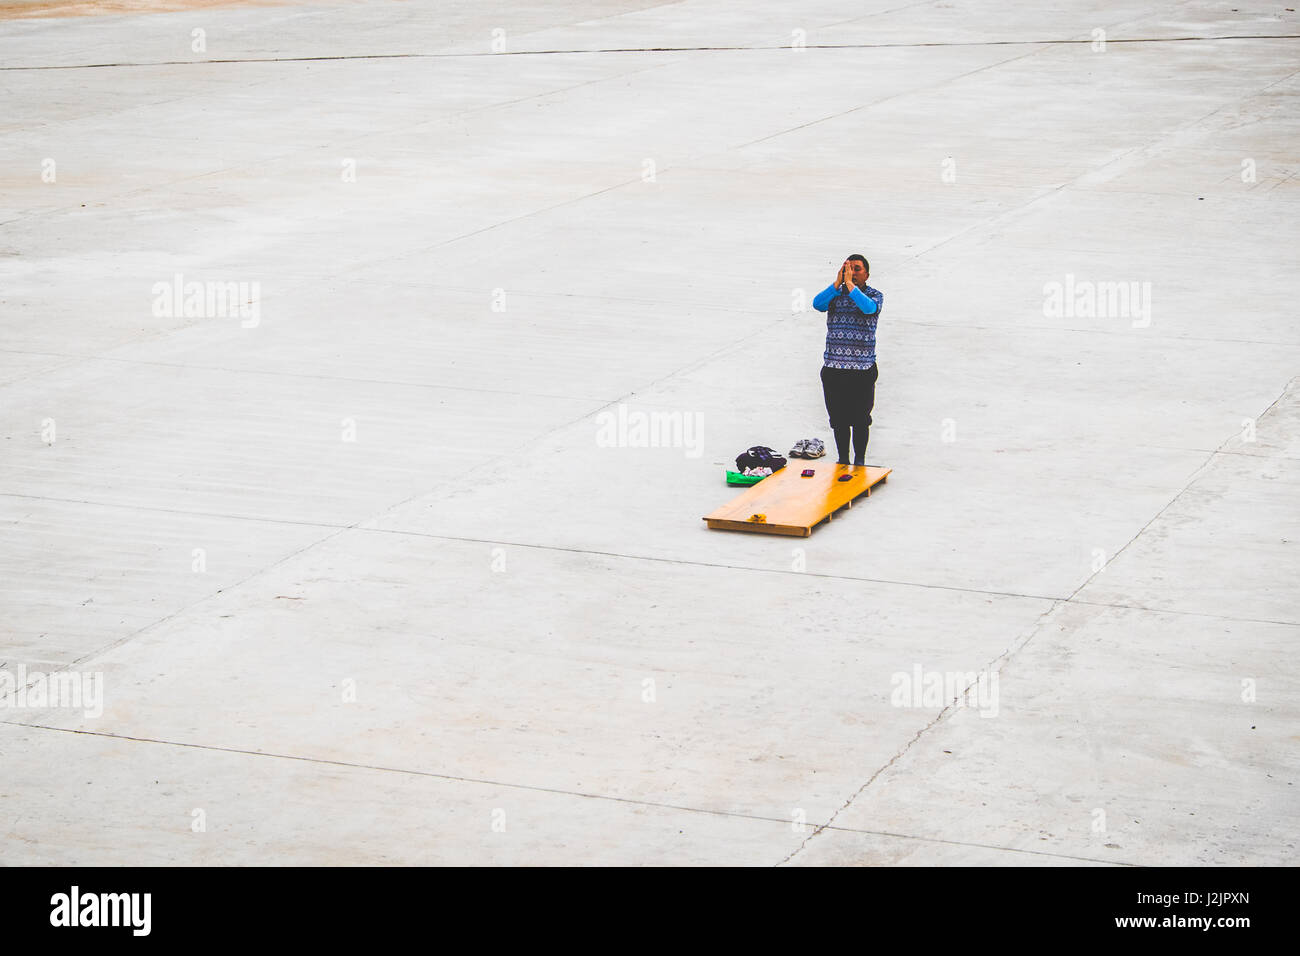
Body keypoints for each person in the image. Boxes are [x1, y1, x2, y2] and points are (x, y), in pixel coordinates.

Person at [811, 254, 882, 468]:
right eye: (848, 268)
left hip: (862, 369)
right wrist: (837, 284)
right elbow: (817, 304)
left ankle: (859, 460)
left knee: (860, 419)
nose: (852, 272)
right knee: (838, 419)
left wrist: (850, 285)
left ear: (867, 274)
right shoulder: (834, 295)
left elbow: (868, 308)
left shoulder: (874, 295)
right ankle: (843, 459)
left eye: (857, 269)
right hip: (834, 368)